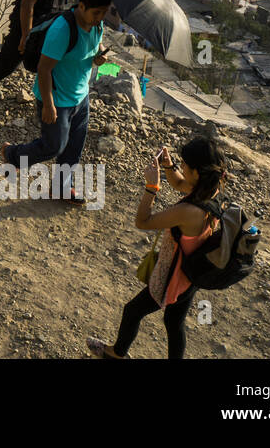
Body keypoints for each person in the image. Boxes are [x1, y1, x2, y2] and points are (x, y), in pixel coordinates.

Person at [87, 138, 228, 359]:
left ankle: (115, 354)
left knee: (132, 311)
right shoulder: (212, 190)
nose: (181, 167)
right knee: (174, 323)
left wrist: (151, 187)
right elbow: (181, 184)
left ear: (197, 172)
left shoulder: (188, 212)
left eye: (185, 165)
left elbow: (143, 222)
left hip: (172, 277)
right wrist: (168, 166)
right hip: (192, 274)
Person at [0, 0, 111, 202]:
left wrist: (100, 57)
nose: (100, 18)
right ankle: (12, 154)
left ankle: (61, 187)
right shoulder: (62, 30)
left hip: (80, 95)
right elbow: (44, 69)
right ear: (82, 7)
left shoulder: (97, 26)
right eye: (96, 12)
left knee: (74, 147)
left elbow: (92, 48)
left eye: (104, 13)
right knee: (54, 145)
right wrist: (48, 104)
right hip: (57, 97)